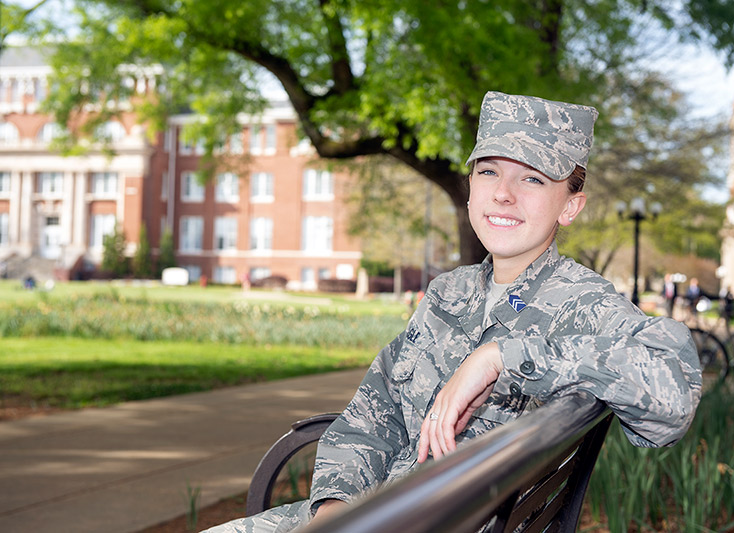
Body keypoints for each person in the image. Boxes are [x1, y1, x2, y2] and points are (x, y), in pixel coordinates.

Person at [204, 91, 702, 533]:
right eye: (488, 171)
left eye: (532, 178)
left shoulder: (582, 302)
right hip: (369, 514)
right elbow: (373, 415)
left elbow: (674, 388)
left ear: (570, 207)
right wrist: (335, 508)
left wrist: (503, 356)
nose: (503, 192)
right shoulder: (449, 293)